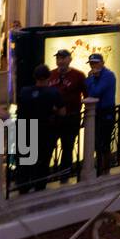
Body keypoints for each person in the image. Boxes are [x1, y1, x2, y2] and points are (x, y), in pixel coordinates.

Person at [14, 65, 62, 193]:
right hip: (44, 131)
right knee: (42, 160)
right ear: (48, 77)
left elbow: (21, 108)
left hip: (26, 130)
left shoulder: (24, 91)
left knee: (25, 160)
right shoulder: (53, 93)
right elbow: (62, 111)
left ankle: (23, 186)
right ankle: (39, 186)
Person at [49, 49, 87, 180]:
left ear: (69, 59)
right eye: (58, 58)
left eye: (63, 58)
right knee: (49, 146)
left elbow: (86, 95)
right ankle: (48, 174)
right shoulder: (51, 75)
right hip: (53, 119)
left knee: (68, 146)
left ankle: (65, 174)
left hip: (71, 118)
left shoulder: (78, 75)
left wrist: (85, 116)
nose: (60, 61)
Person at [84, 54, 117, 177]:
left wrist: (90, 79)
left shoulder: (108, 76)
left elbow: (94, 92)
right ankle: (98, 169)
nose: (93, 66)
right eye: (92, 64)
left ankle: (105, 170)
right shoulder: (96, 77)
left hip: (106, 113)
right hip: (96, 114)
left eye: (96, 63)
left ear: (102, 63)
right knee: (97, 143)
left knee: (104, 142)